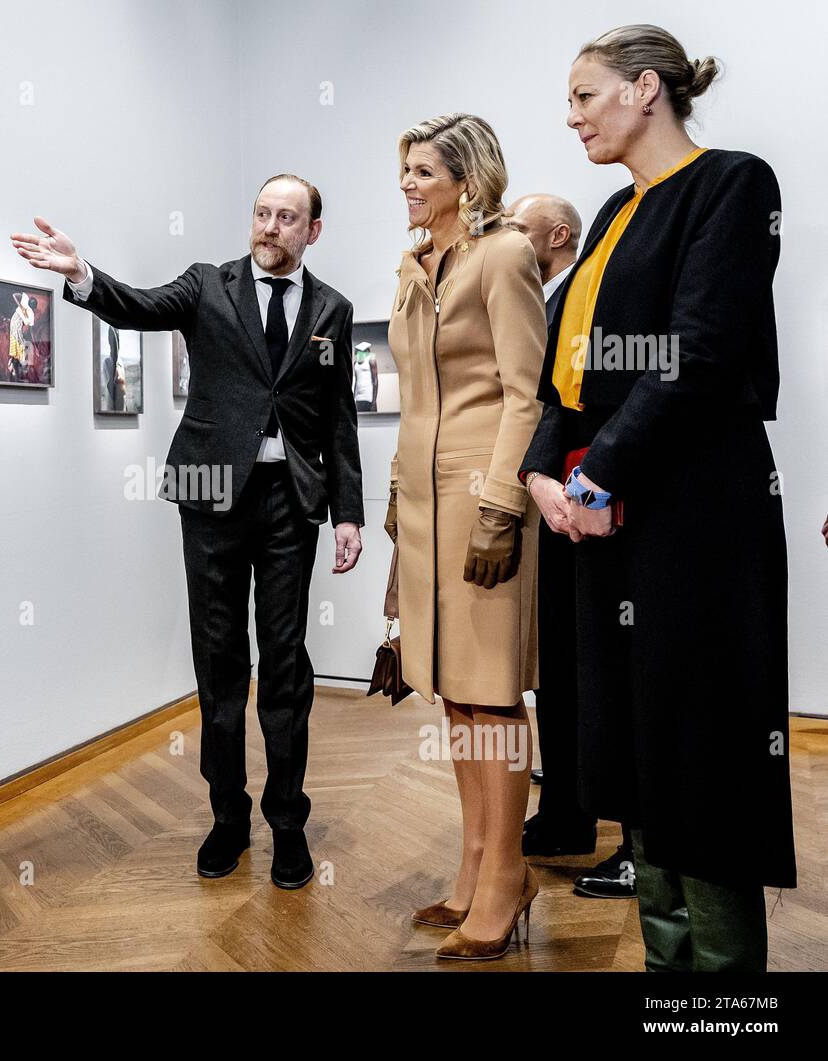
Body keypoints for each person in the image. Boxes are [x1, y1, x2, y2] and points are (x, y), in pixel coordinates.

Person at [518, 24, 795, 971]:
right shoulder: (609, 214)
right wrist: (543, 471)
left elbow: (700, 354)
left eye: (584, 94)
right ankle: (666, 975)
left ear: (645, 91)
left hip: (697, 522)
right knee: (637, 750)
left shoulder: (733, 184)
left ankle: (722, 995)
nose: (572, 115)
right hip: (605, 528)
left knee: (703, 756)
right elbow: (571, 367)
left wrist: (597, 475)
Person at [11, 174, 364, 890]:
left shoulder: (332, 309)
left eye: (287, 217)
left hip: (291, 501)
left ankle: (288, 825)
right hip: (210, 498)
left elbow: (336, 416)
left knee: (286, 667)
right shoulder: (208, 285)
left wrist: (348, 511)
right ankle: (228, 819)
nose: (270, 226)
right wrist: (80, 273)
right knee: (220, 662)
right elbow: (138, 308)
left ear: (312, 231)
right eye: (262, 213)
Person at [385, 114, 547, 960]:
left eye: (422, 171)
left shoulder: (505, 253)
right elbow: (414, 394)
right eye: (404, 170)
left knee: (490, 692)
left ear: (467, 179)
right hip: (423, 505)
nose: (407, 183)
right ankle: (475, 860)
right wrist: (393, 495)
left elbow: (526, 392)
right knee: (452, 693)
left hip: (483, 500)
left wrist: (499, 506)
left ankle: (507, 873)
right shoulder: (416, 267)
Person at [509, 195, 638, 899]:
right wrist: (536, 476)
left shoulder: (596, 292)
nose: (505, 238)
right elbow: (552, 402)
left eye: (517, 228)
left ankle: (633, 838)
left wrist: (592, 478)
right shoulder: (554, 303)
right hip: (560, 503)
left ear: (557, 235)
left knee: (610, 670)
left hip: (610, 498)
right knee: (562, 665)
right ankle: (568, 811)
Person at [352, 341, 377, 411]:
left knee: (370, 420)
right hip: (358, 397)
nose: (356, 353)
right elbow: (356, 381)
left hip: (368, 396)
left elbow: (375, 381)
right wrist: (353, 397)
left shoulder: (371, 359)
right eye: (356, 352)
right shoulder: (355, 363)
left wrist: (374, 401)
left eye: (357, 351)